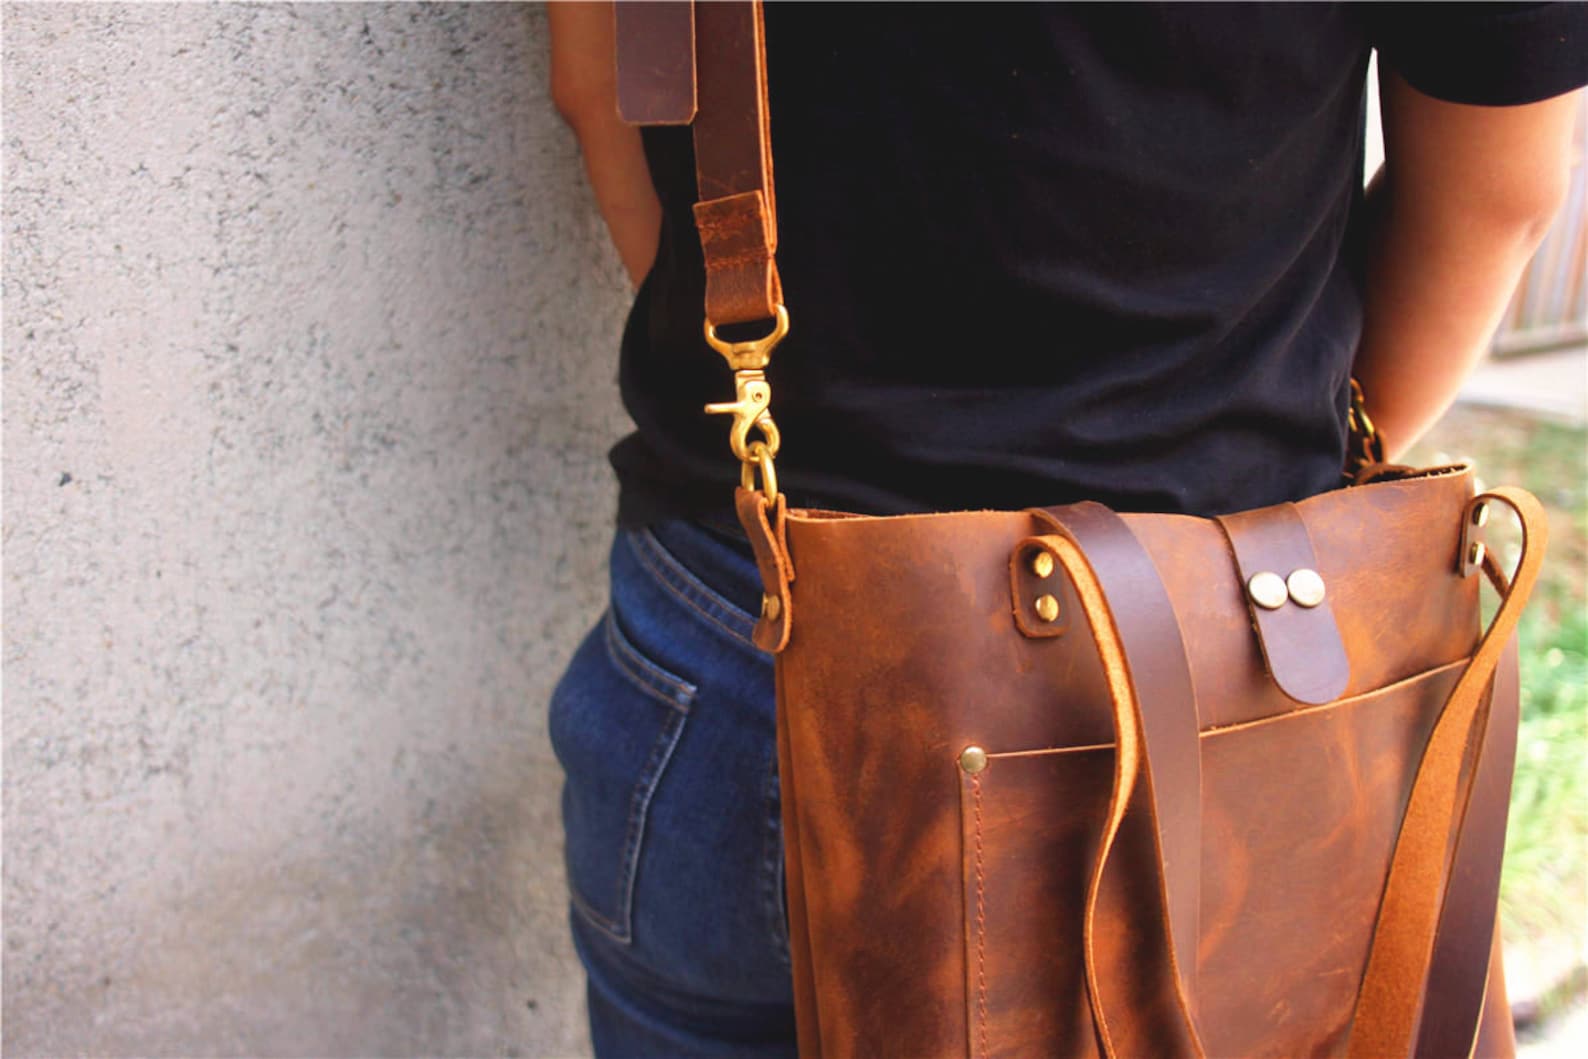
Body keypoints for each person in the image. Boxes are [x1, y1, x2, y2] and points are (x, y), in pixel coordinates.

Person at [546, 3, 1587, 1055]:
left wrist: (765, 405)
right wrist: (1281, 461)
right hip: (1230, 658)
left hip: (750, 622)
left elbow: (598, 90)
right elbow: (1499, 189)